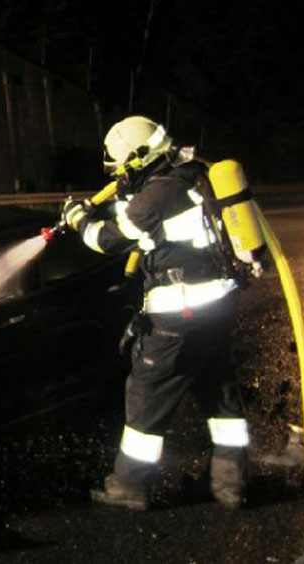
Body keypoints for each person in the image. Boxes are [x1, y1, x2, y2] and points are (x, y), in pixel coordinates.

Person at [62, 116, 250, 510]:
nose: (121, 176)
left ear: (137, 158)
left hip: (181, 313)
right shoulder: (192, 173)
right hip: (219, 305)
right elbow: (158, 226)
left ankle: (129, 486)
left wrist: (79, 220)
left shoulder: (160, 193)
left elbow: (111, 239)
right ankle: (230, 484)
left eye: (122, 168)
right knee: (219, 391)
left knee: (147, 394)